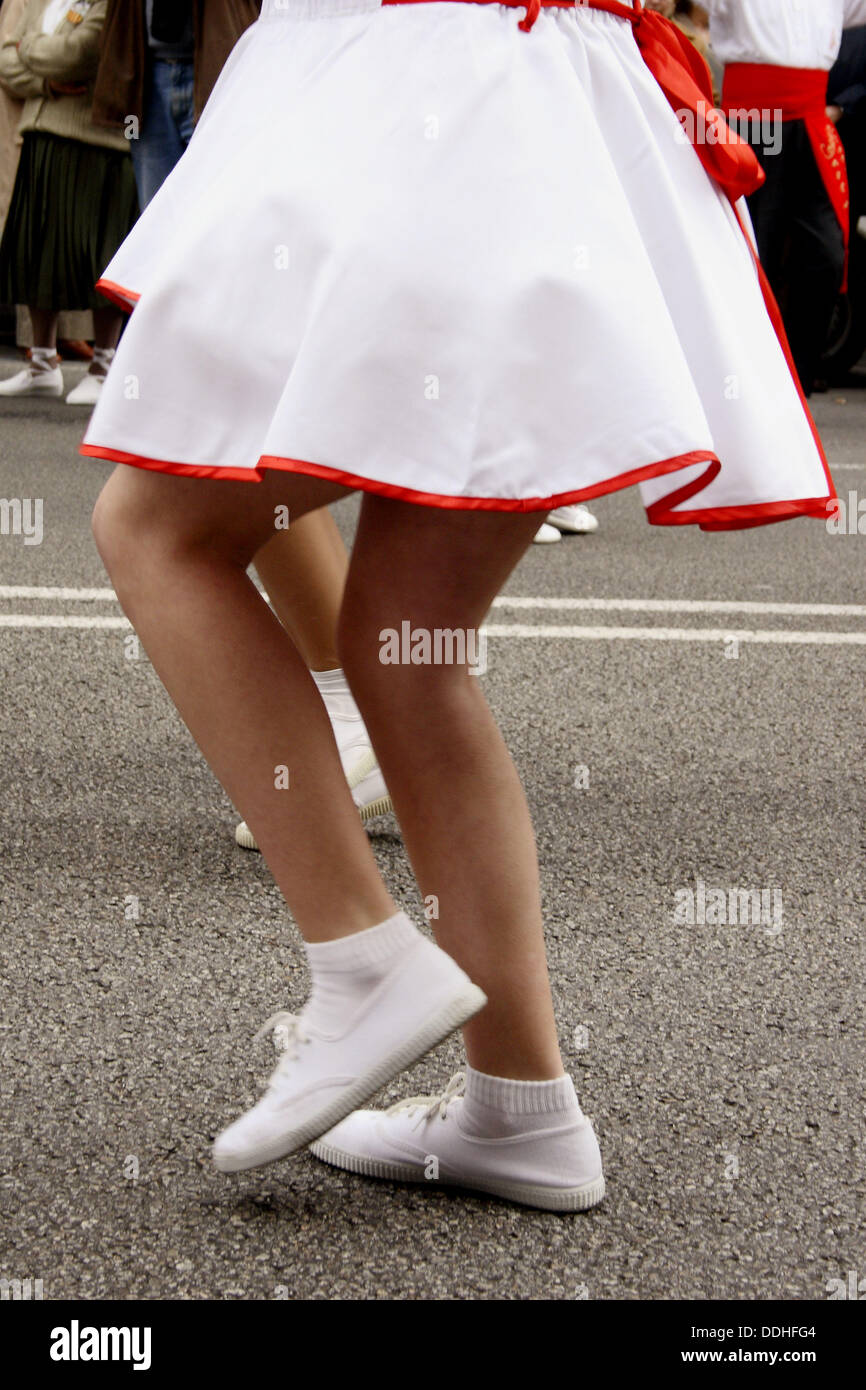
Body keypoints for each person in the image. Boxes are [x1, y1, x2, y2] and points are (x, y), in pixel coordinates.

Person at [82, 0, 833, 1211]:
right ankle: (521, 1109)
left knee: (157, 530)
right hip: (551, 110)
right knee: (408, 642)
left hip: (417, 97)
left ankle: (358, 955)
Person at [707, 0, 866, 396]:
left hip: (811, 118)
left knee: (824, 254)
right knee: (752, 253)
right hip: (756, 120)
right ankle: (741, 377)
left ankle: (795, 375)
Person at [0, 0, 138, 405]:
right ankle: (42, 364)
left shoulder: (107, 4)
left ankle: (104, 364)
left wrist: (28, 48)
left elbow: (78, 54)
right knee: (37, 252)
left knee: (95, 251)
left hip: (94, 140)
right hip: (40, 132)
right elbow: (5, 60)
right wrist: (44, 81)